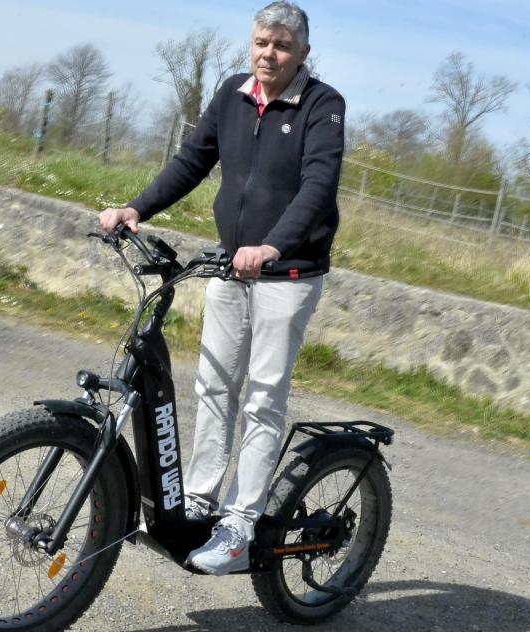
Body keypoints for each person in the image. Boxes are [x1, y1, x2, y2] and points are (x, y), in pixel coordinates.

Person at [99, 0, 344, 575]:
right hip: (232, 268)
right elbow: (192, 161)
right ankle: (203, 499)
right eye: (262, 41)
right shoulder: (233, 92)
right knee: (212, 383)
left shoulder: (321, 105)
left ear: (302, 53)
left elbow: (317, 186)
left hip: (287, 273)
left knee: (262, 396)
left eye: (282, 45)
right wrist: (137, 206)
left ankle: (240, 524)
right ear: (251, 43)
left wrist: (273, 245)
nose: (269, 53)